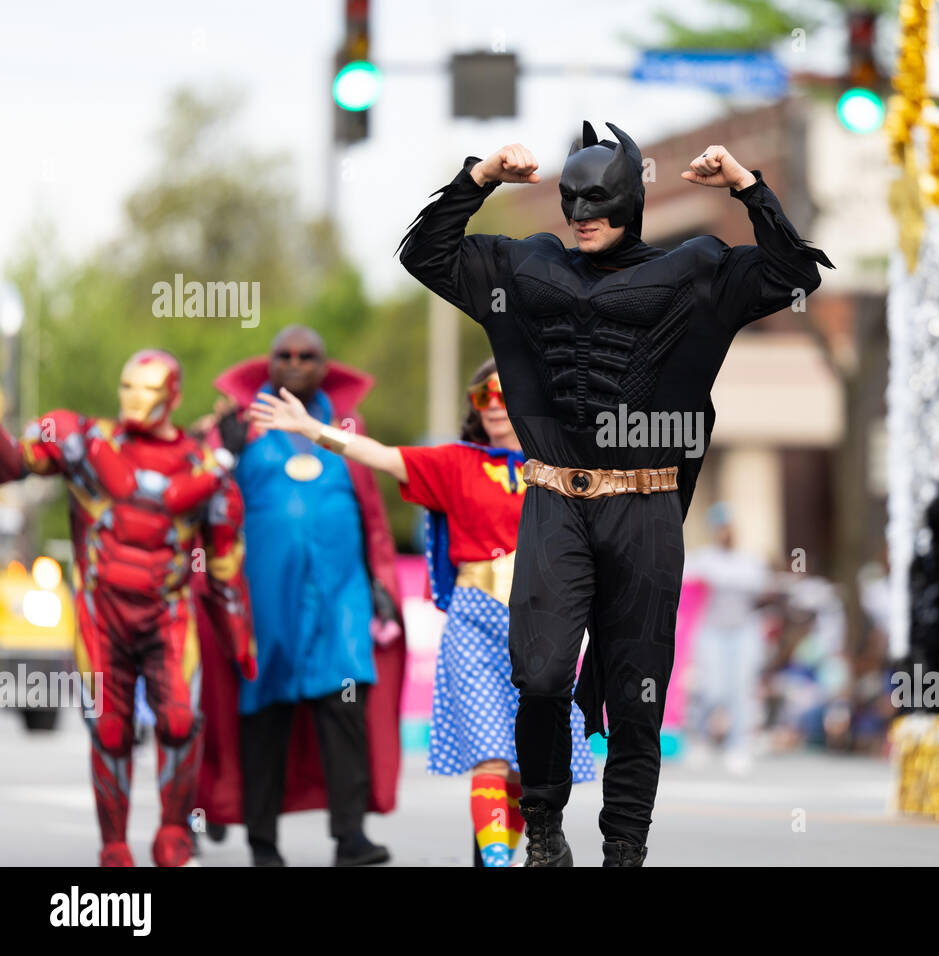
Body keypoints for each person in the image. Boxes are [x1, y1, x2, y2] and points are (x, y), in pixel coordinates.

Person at [397, 121, 833, 866]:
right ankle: (542, 829)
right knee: (537, 676)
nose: (581, 213)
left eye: (597, 199)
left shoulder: (696, 273)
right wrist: (481, 177)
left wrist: (747, 188)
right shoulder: (523, 270)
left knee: (638, 695)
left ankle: (625, 848)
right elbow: (424, 254)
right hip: (555, 498)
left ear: (630, 200)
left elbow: (796, 274)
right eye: (570, 199)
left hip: (645, 502)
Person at [248, 358, 597, 867]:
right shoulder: (455, 462)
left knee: (527, 764)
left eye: (507, 396)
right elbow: (382, 457)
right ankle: (497, 862)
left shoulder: (562, 465)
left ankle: (491, 858)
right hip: (475, 621)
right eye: (484, 397)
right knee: (490, 755)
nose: (496, 407)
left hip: (545, 626)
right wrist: (312, 429)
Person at [0, 350, 256, 867]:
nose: (135, 399)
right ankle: (114, 847)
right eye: (128, 387)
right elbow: (12, 465)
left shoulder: (204, 468)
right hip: (102, 614)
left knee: (181, 721)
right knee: (110, 727)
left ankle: (173, 835)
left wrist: (239, 642)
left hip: (167, 613)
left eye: (149, 389)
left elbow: (224, 566)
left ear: (173, 396)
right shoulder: (81, 441)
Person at [198, 326, 403, 867]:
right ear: (268, 364)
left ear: (323, 365)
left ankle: (351, 837)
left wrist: (382, 582)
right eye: (283, 355)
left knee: (347, 709)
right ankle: (262, 842)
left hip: (341, 599)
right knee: (264, 719)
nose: (293, 363)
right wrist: (221, 454)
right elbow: (204, 503)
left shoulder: (348, 431)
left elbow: (373, 519)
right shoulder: (239, 429)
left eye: (305, 355)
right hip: (265, 603)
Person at [685, 502, 773, 773]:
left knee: (741, 689)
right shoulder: (702, 559)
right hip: (712, 632)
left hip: (743, 631)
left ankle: (739, 745)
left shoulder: (750, 561)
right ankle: (700, 738)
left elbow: (764, 593)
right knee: (712, 687)